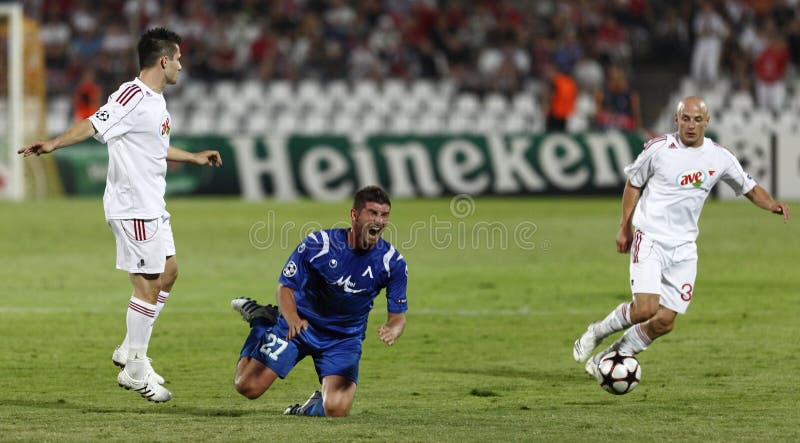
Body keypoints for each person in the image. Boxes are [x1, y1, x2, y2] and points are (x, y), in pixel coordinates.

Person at [18, 28, 222, 403]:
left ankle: (129, 350)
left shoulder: (156, 101)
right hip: (132, 207)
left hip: (152, 204)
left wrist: (192, 157)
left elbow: (154, 147)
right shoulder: (132, 96)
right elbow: (94, 122)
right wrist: (53, 144)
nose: (181, 65)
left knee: (170, 273)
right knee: (146, 284)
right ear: (163, 61)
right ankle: (135, 368)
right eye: (177, 58)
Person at [573, 96, 790, 380]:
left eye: (697, 120)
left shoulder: (719, 157)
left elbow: (749, 187)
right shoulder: (659, 149)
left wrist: (772, 204)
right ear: (676, 120)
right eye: (685, 118)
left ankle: (608, 357)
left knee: (664, 322)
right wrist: (625, 227)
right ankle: (597, 332)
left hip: (685, 248)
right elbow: (633, 184)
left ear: (707, 122)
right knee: (645, 309)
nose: (691, 125)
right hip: (650, 238)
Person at [231, 185, 408, 417]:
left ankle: (307, 409)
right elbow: (285, 288)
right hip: (299, 325)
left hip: (343, 339)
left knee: (336, 409)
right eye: (372, 213)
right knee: (247, 387)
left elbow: (398, 317)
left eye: (384, 215)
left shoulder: (392, 263)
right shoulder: (319, 245)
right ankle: (262, 322)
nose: (379, 220)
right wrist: (292, 318)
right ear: (355, 215)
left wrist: (393, 329)